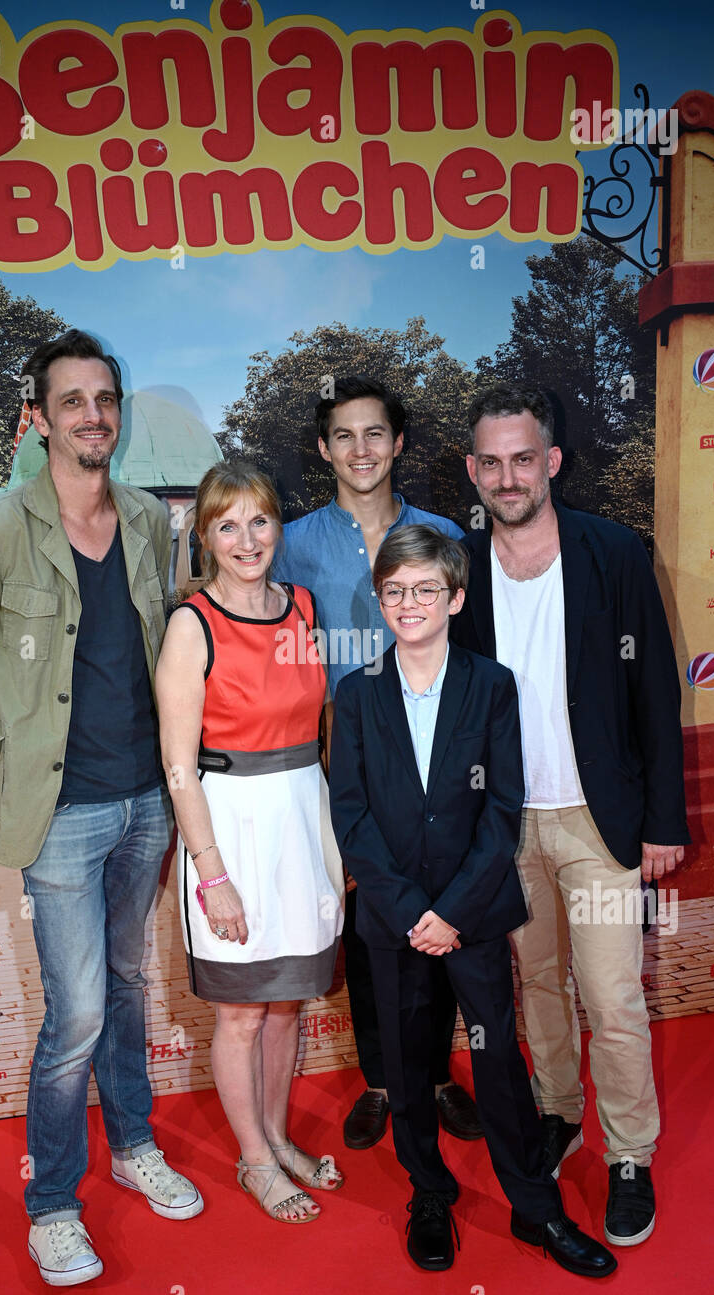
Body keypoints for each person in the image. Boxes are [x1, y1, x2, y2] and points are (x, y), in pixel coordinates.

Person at [0, 329, 201, 1288]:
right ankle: (52, 1203)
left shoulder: (143, 518)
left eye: (105, 400)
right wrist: (6, 789)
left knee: (127, 989)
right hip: (63, 815)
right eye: (73, 401)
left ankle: (133, 1144)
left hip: (144, 804)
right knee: (77, 1012)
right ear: (37, 419)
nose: (93, 416)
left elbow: (159, 644)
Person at [329, 525, 616, 1275]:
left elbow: (502, 812)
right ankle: (427, 1192)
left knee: (497, 1067)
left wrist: (451, 912)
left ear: (455, 597)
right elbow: (351, 817)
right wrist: (407, 910)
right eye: (394, 589)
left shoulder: (491, 685)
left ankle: (535, 1209)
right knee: (407, 1060)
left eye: (425, 588)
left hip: (475, 918)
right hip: (394, 926)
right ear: (379, 599)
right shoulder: (354, 694)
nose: (409, 602)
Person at [451, 382, 690, 1247]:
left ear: (550, 462)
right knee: (535, 987)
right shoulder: (459, 567)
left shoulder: (612, 553)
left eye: (523, 459)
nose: (507, 476)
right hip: (505, 827)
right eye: (491, 461)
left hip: (597, 823)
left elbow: (654, 692)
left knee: (611, 995)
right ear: (471, 469)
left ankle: (629, 1154)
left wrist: (663, 820)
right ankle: (558, 1114)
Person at [281, 376, 481, 1151]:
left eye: (374, 434)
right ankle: (378, 1081)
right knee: (369, 926)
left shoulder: (443, 535)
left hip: (436, 756)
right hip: (340, 757)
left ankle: (434, 1077)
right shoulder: (293, 543)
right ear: (324, 449)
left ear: (398, 443)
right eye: (343, 436)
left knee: (436, 917)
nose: (359, 449)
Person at [155, 462, 345, 1225]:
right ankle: (255, 1161)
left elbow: (322, 731)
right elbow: (177, 768)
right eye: (226, 525)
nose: (246, 539)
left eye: (259, 521)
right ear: (204, 537)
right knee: (240, 1014)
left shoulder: (303, 606)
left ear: (277, 526)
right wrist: (211, 877)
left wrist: (339, 843)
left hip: (304, 816)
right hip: (227, 826)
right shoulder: (189, 625)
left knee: (287, 1005)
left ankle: (275, 1135)